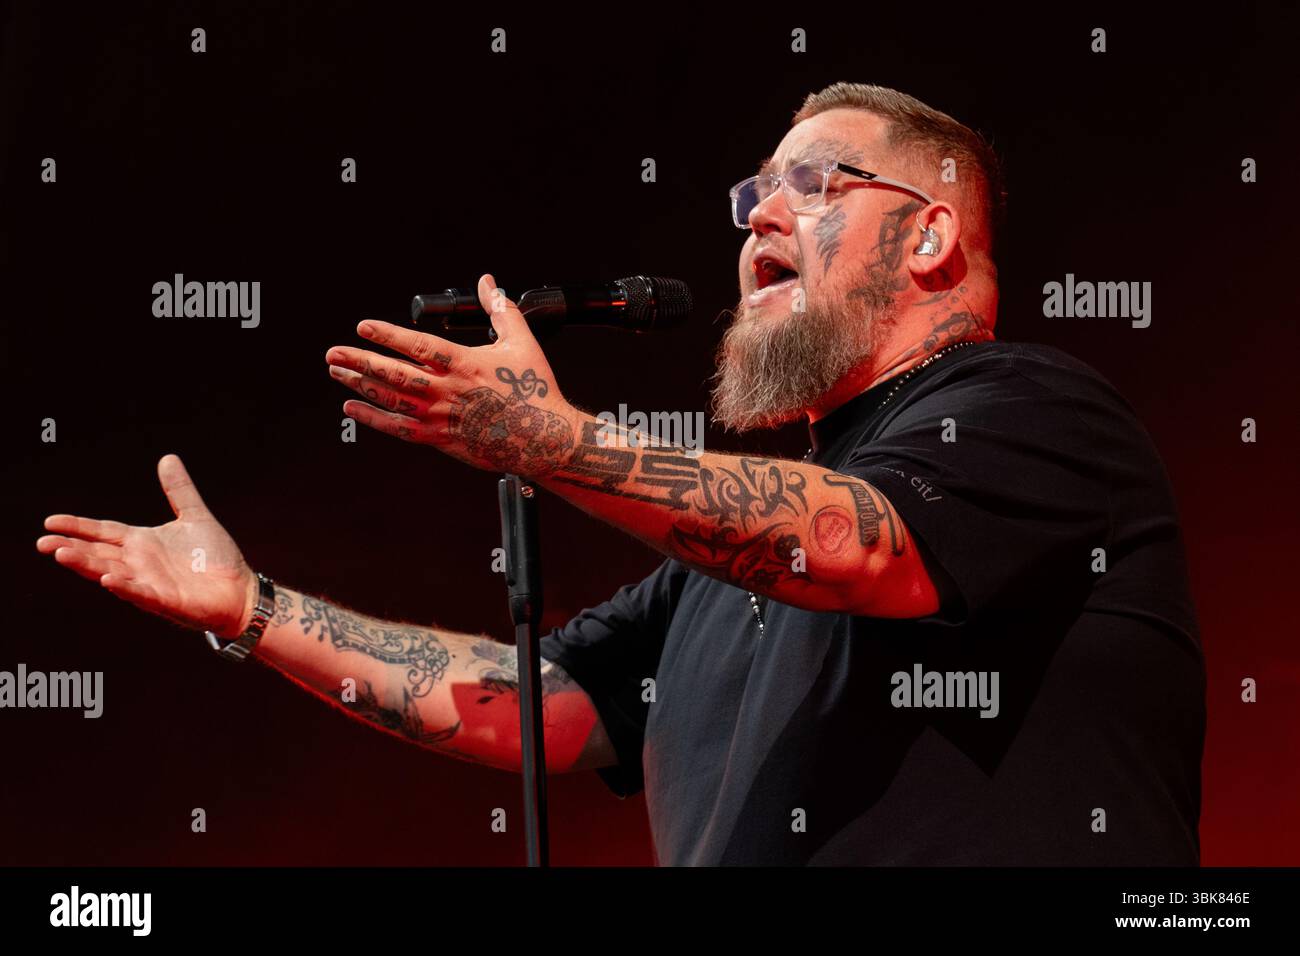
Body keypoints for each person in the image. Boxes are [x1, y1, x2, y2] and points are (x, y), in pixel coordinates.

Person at [35, 82, 1204, 866]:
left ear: (932, 234)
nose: (756, 222)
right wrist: (255, 612)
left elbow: (856, 543)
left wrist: (549, 440)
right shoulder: (714, 570)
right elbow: (535, 708)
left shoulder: (1031, 410)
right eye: (748, 197)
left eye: (809, 186)